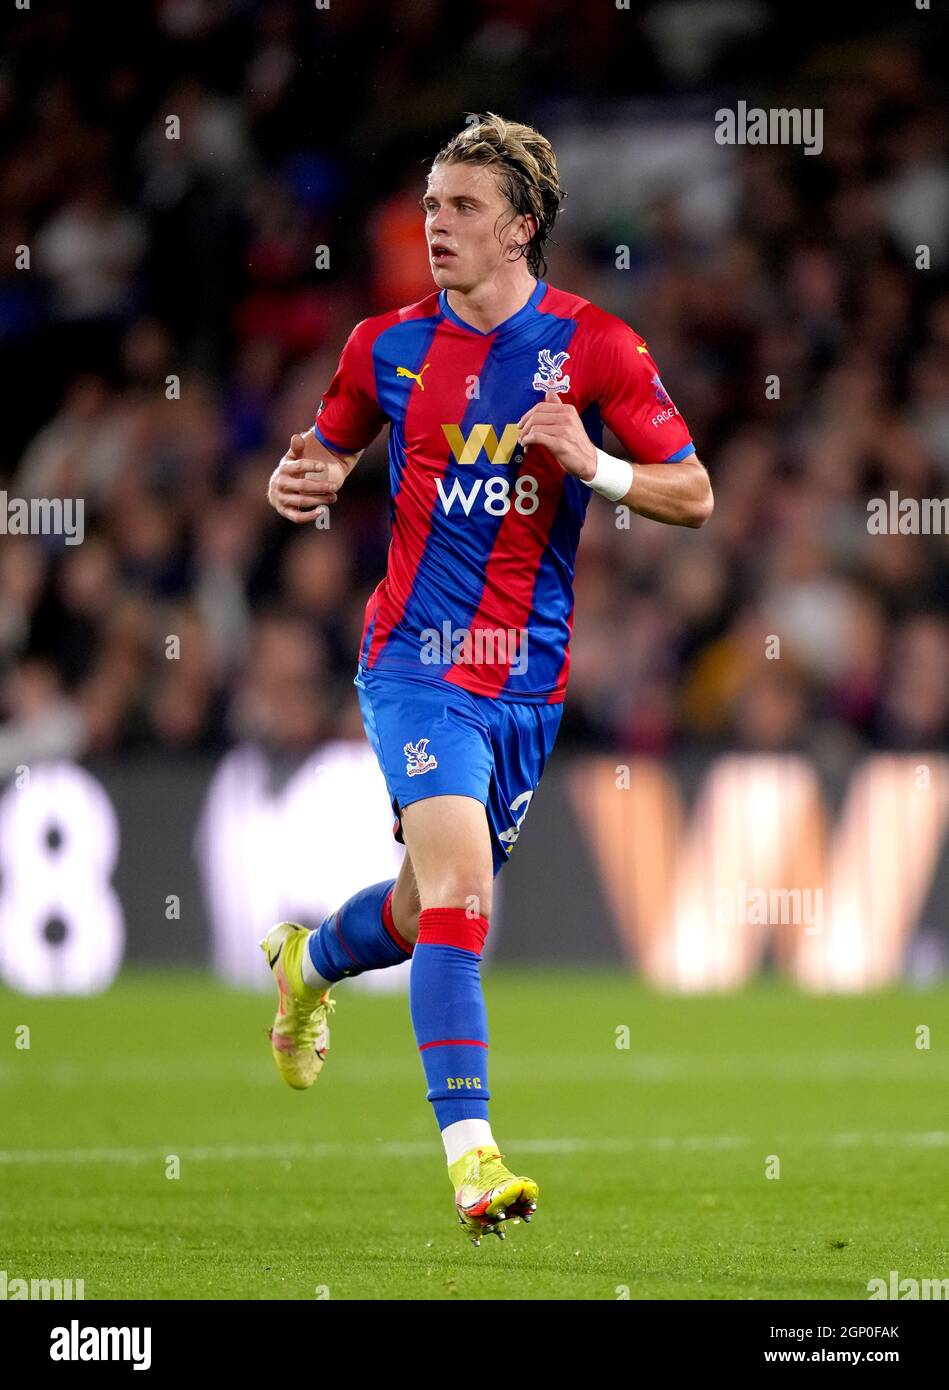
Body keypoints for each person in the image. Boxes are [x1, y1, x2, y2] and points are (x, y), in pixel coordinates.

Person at [262, 112, 713, 1243]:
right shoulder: (384, 345)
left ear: (520, 226)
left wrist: (595, 464)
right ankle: (474, 1158)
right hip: (413, 664)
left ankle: (309, 959)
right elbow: (327, 447)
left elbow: (692, 492)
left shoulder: (594, 347)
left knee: (424, 914)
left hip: (527, 682)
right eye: (428, 206)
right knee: (465, 892)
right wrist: (301, 480)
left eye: (461, 207)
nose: (435, 225)